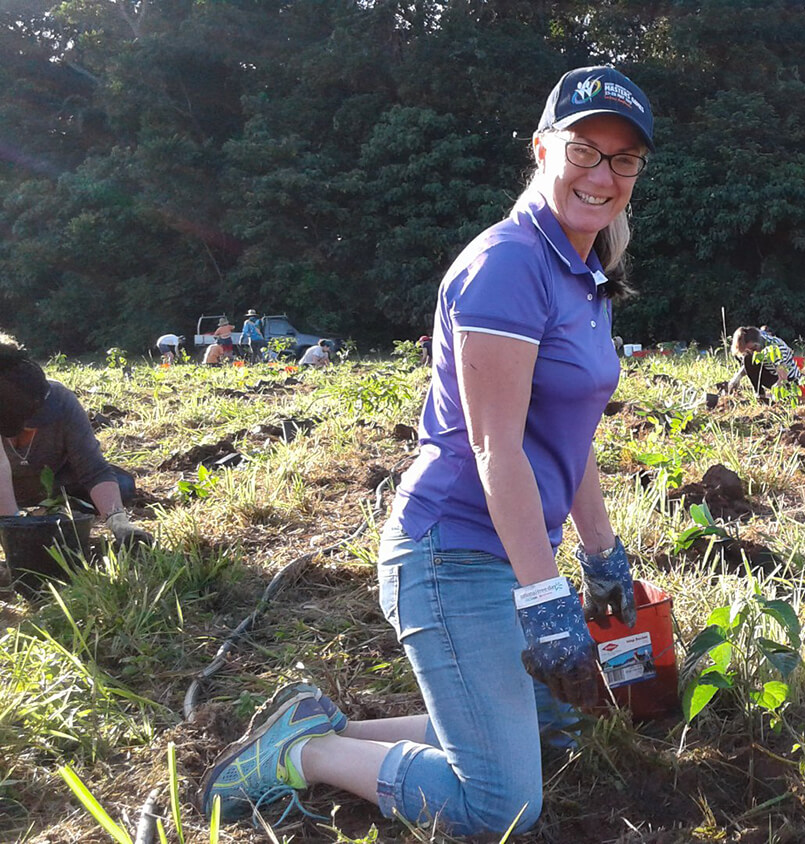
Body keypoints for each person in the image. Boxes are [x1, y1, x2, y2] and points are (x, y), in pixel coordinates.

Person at [200, 65, 654, 837]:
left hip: (512, 552)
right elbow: (495, 448)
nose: (601, 174)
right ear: (544, 149)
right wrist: (546, 602)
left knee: (550, 718)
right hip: (451, 554)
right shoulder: (509, 263)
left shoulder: (584, 273)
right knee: (499, 807)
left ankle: (322, 728)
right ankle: (301, 758)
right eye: (583, 150)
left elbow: (572, 439)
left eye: (623, 159)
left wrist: (602, 555)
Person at [0, 343, 152, 546]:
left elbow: (94, 469)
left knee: (122, 486)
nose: (38, 428)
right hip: (9, 488)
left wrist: (118, 522)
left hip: (57, 481)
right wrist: (14, 532)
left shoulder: (61, 400)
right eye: (29, 424)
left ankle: (55, 510)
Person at [724, 326, 805, 399]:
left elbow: (783, 377)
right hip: (771, 374)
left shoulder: (776, 348)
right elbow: (749, 366)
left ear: (758, 342)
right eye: (748, 350)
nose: (753, 352)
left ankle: (777, 396)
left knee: (783, 393)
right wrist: (736, 378)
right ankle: (759, 394)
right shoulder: (755, 345)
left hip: (789, 380)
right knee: (747, 358)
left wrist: (775, 393)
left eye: (754, 349)